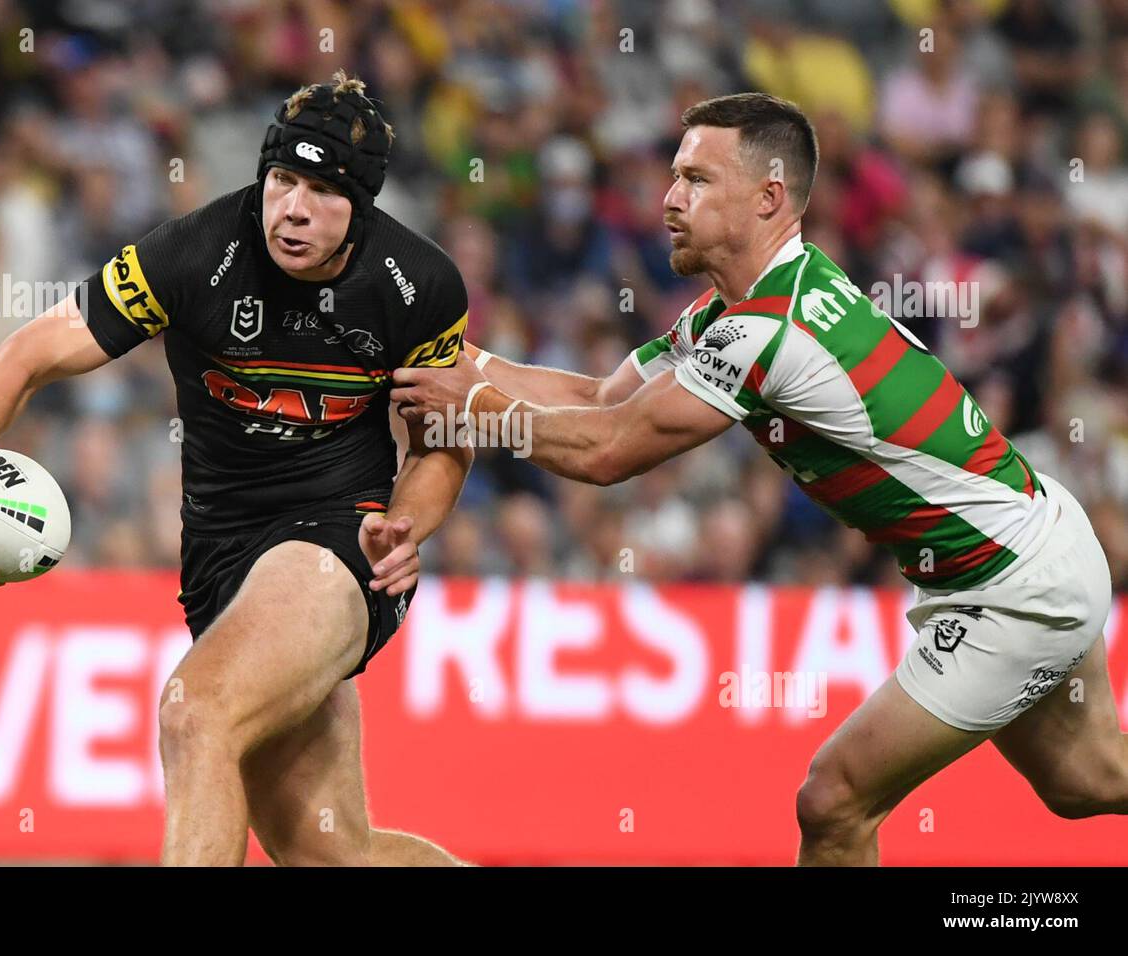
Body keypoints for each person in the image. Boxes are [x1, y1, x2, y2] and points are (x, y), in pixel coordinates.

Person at [392, 92, 1125, 865]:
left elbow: (606, 452)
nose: (670, 199)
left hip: (1012, 582)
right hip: (1031, 541)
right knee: (1086, 783)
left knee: (834, 799)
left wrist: (469, 405)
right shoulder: (744, 307)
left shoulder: (767, 328)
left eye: (698, 180)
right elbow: (600, 397)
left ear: (769, 197)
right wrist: (457, 357)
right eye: (675, 177)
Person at [0, 71, 473, 866]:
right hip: (218, 563)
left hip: (339, 542)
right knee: (332, 853)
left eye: (322, 190)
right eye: (282, 180)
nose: (293, 208)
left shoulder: (420, 288)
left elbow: (444, 438)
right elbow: (29, 357)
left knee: (193, 712)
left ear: (362, 207)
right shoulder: (194, 253)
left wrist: (410, 522)